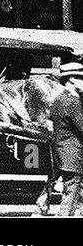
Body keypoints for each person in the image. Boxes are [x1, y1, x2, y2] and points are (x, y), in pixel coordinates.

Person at [50, 62, 83, 217]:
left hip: (62, 152)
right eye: (81, 78)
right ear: (72, 80)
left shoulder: (58, 100)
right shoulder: (73, 102)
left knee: (71, 192)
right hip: (74, 154)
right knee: (71, 194)